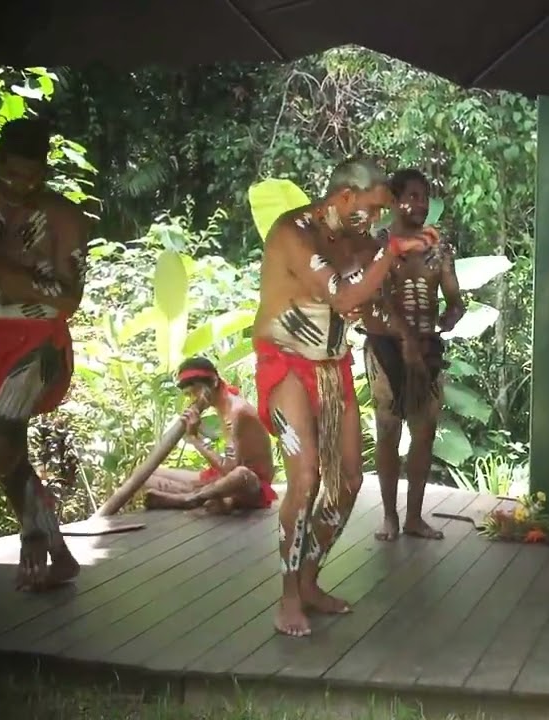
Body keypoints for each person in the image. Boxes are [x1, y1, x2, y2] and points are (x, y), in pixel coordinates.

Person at [251, 157, 437, 638]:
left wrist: (407, 337)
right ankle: (288, 595)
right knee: (306, 476)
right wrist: (390, 253)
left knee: (351, 479)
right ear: (346, 197)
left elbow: (374, 299)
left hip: (333, 367)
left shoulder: (363, 241)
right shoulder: (294, 232)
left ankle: (309, 579)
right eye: (373, 209)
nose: (376, 220)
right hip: (286, 362)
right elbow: (341, 297)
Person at [0, 117, 88, 592]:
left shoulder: (64, 216)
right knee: (4, 451)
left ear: (45, 172)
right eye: (12, 174)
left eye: (32, 176)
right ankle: (59, 554)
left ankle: (32, 536)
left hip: (40, 339)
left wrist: (5, 273)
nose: (22, 185)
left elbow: (69, 298)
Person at [362, 169, 465, 542]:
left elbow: (455, 300)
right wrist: (402, 336)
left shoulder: (439, 250)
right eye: (413, 196)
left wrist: (452, 314)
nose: (420, 204)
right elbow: (371, 301)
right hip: (385, 347)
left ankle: (414, 518)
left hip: (425, 348)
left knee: (423, 434)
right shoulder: (376, 246)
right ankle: (389, 516)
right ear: (394, 199)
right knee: (388, 430)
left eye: (425, 197)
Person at [142, 357, 279, 514]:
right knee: (148, 475)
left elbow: (230, 469)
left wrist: (195, 438)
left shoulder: (237, 412)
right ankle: (207, 495)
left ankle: (191, 499)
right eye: (189, 395)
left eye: (195, 392)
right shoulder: (223, 406)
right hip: (223, 479)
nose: (193, 400)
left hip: (250, 486)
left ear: (213, 383)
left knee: (241, 474)